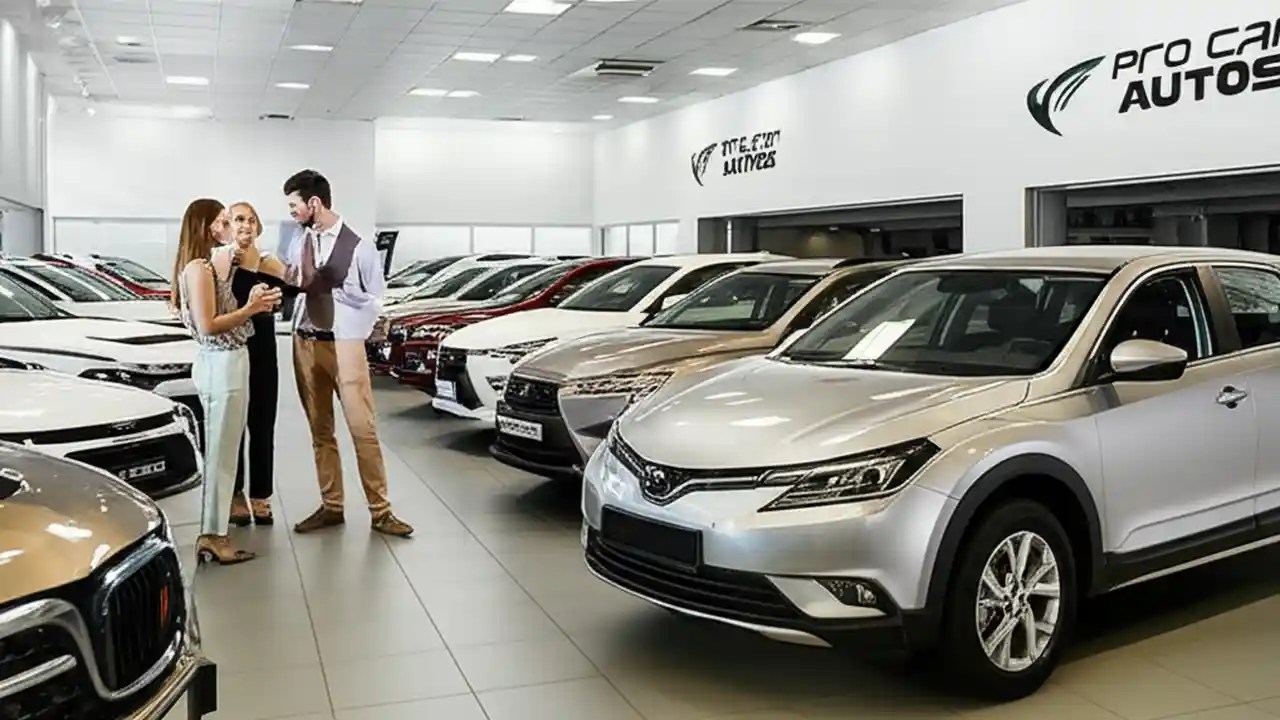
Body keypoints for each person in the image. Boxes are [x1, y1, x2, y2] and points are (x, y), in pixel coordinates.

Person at [281, 169, 413, 537]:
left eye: (294, 206)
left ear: (314, 203)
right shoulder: (299, 242)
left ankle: (381, 510)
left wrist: (344, 296)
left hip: (345, 344)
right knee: (320, 430)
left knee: (362, 428)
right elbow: (294, 282)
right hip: (305, 343)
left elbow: (378, 300)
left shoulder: (359, 248)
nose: (291, 213)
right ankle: (332, 505)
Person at [171, 198, 281, 564]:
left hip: (226, 362)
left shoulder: (207, 267)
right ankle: (213, 535)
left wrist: (250, 301)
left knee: (224, 454)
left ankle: (213, 533)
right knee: (220, 457)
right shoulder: (199, 268)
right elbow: (208, 325)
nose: (229, 228)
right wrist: (250, 309)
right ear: (206, 228)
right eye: (222, 222)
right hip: (222, 364)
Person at [224, 201, 290, 526]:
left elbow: (286, 292)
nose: (246, 225)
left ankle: (261, 494)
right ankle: (234, 493)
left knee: (263, 420)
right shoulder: (219, 262)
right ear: (227, 224)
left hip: (263, 345)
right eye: (239, 219)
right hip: (231, 344)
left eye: (251, 220)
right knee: (234, 422)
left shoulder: (268, 262)